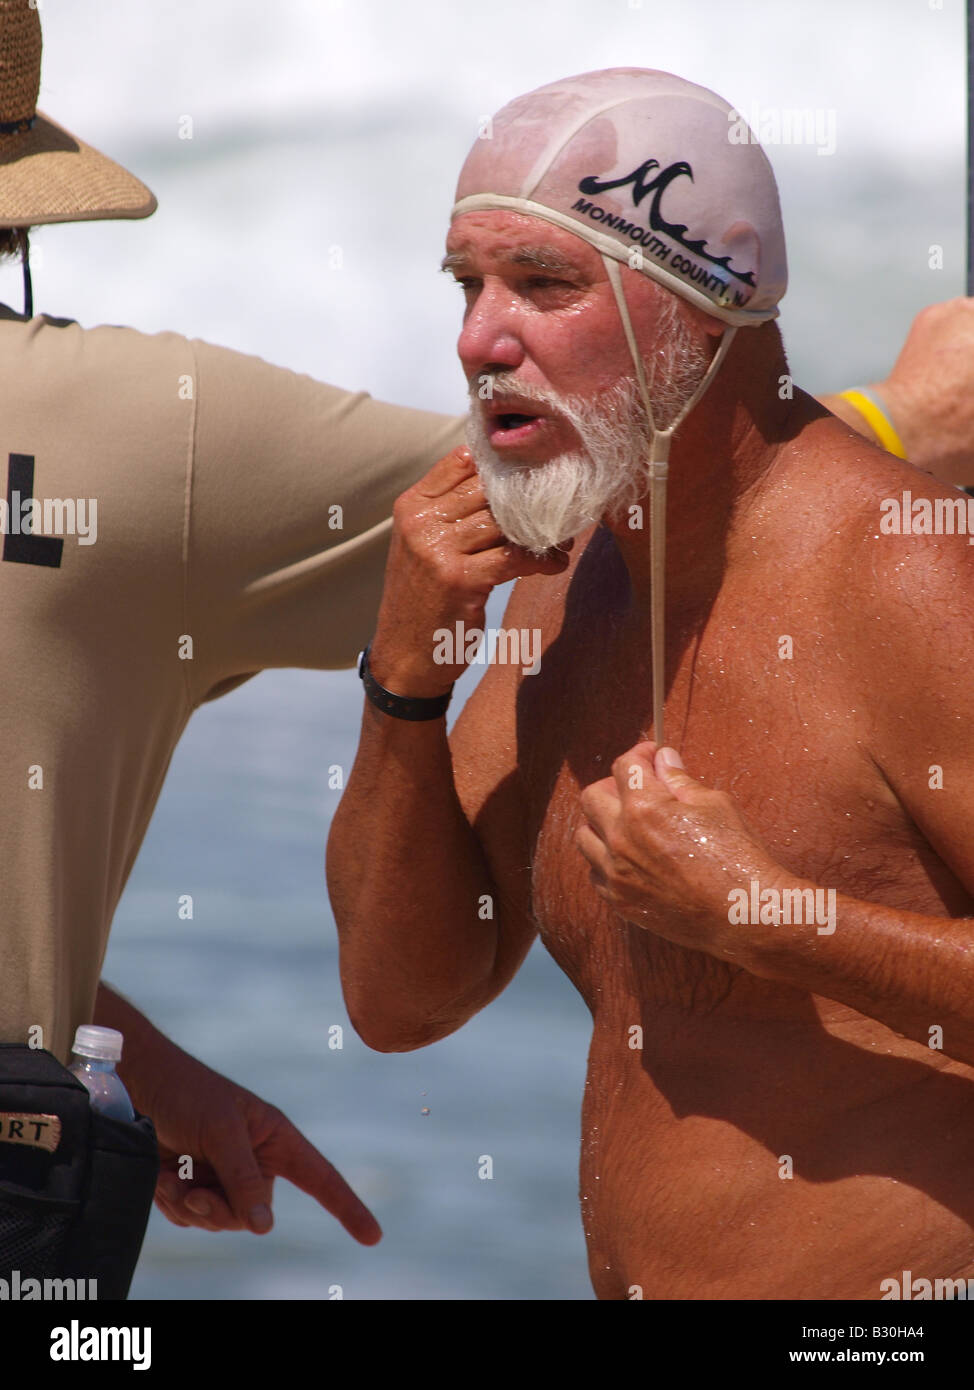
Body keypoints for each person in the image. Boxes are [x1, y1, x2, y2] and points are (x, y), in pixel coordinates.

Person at [328, 67, 974, 1299]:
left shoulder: (908, 575)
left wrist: (771, 917)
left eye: (544, 283)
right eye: (467, 284)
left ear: (707, 296)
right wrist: (405, 678)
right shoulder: (571, 588)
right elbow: (401, 1000)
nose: (478, 338)